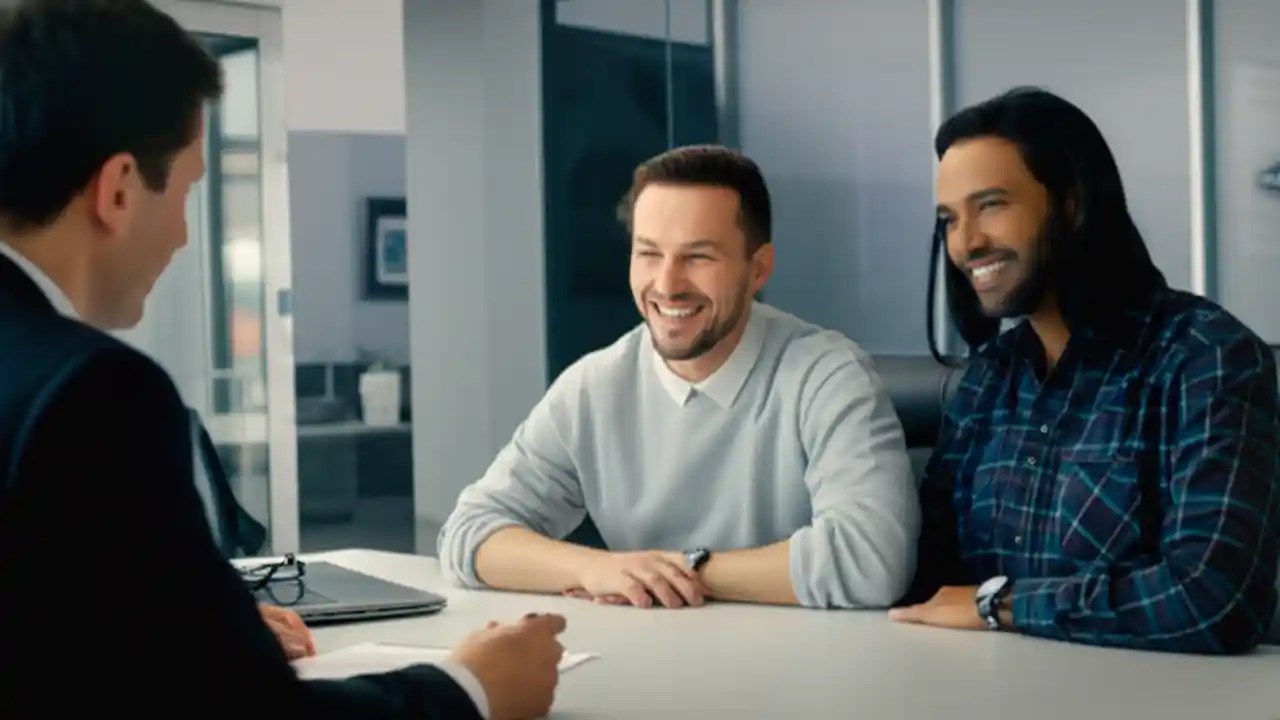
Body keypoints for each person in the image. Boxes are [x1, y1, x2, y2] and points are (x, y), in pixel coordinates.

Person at [0, 1, 565, 717]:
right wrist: (472, 687)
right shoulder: (92, 391)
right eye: (186, 191)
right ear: (116, 190)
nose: (181, 234)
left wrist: (192, 623)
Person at [439, 144, 919, 610]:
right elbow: (467, 534)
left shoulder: (828, 377)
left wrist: (679, 570)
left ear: (759, 269)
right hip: (651, 666)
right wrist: (594, 569)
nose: (667, 284)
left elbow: (873, 559)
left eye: (698, 257)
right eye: (649, 253)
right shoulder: (593, 386)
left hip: (808, 673)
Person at [889, 87, 1280, 654]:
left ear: (1072, 205)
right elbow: (928, 578)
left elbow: (1215, 598)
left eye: (992, 204)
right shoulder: (986, 383)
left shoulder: (1204, 357)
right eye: (950, 219)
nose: (967, 242)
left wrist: (1000, 605)